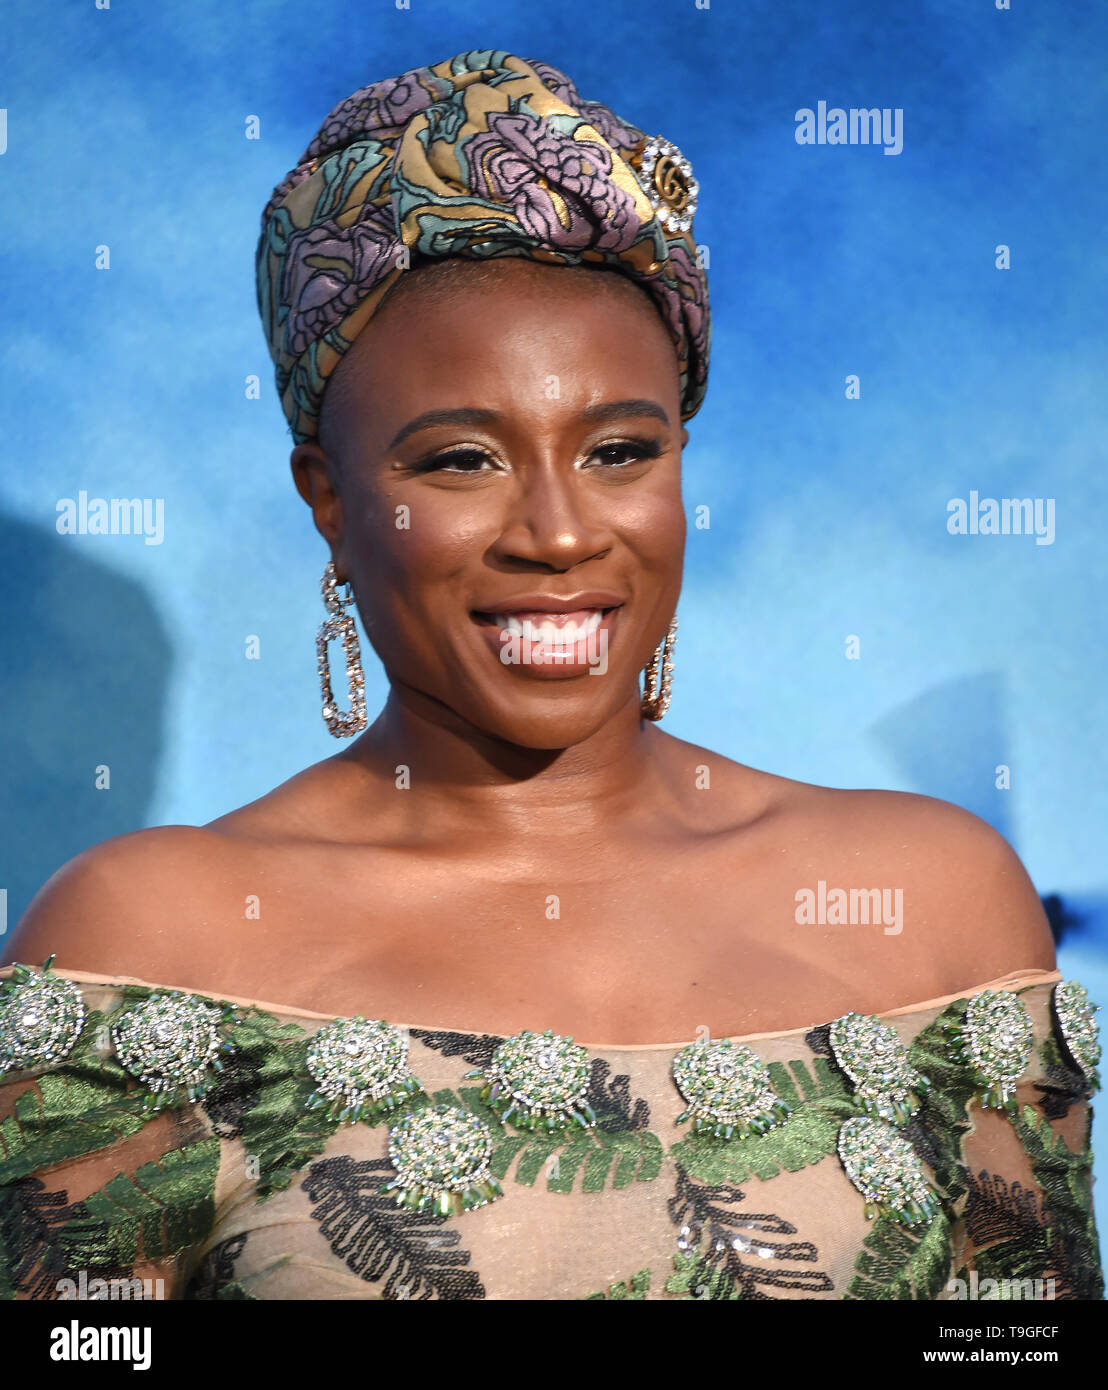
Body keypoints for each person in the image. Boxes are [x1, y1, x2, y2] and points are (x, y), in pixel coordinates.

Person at [0, 50, 1101, 1301]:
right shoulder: (146, 943)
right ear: (329, 501)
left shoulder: (934, 908)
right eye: (461, 461)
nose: (560, 533)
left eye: (621, 450)